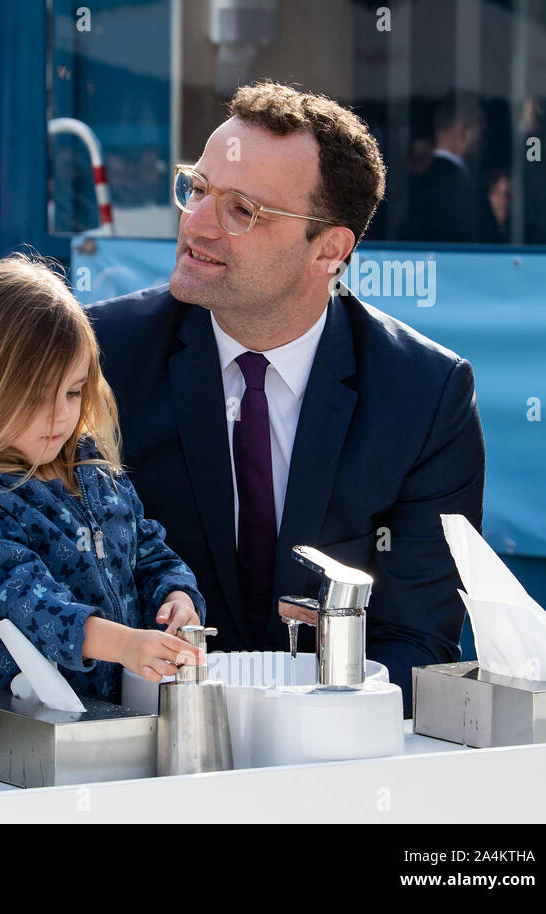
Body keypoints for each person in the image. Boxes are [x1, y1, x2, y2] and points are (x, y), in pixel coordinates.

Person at [88, 82, 485, 711]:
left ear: (329, 250)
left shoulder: (426, 396)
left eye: (242, 209)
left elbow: (416, 643)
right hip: (140, 744)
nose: (196, 223)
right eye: (197, 189)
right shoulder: (98, 358)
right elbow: (35, 573)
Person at [0, 255, 206, 704]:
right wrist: (126, 644)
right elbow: (30, 606)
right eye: (34, 397)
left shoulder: (94, 471)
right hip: (26, 735)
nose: (61, 415)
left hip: (115, 720)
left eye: (73, 392)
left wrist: (177, 595)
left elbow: (148, 551)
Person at [399, 95, 499, 244]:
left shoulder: (412, 186)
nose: (483, 142)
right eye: (482, 133)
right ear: (463, 131)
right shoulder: (465, 191)